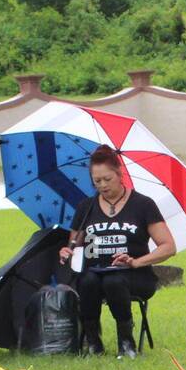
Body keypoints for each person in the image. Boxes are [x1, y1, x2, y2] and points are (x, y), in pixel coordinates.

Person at [59, 145, 176, 358]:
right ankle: (93, 341)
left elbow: (168, 246)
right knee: (87, 281)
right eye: (97, 181)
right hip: (96, 273)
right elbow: (75, 246)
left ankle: (126, 340)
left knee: (114, 281)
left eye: (107, 179)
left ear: (119, 174)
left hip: (135, 274)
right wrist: (68, 251)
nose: (102, 185)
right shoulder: (86, 207)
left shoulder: (143, 204)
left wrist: (135, 262)